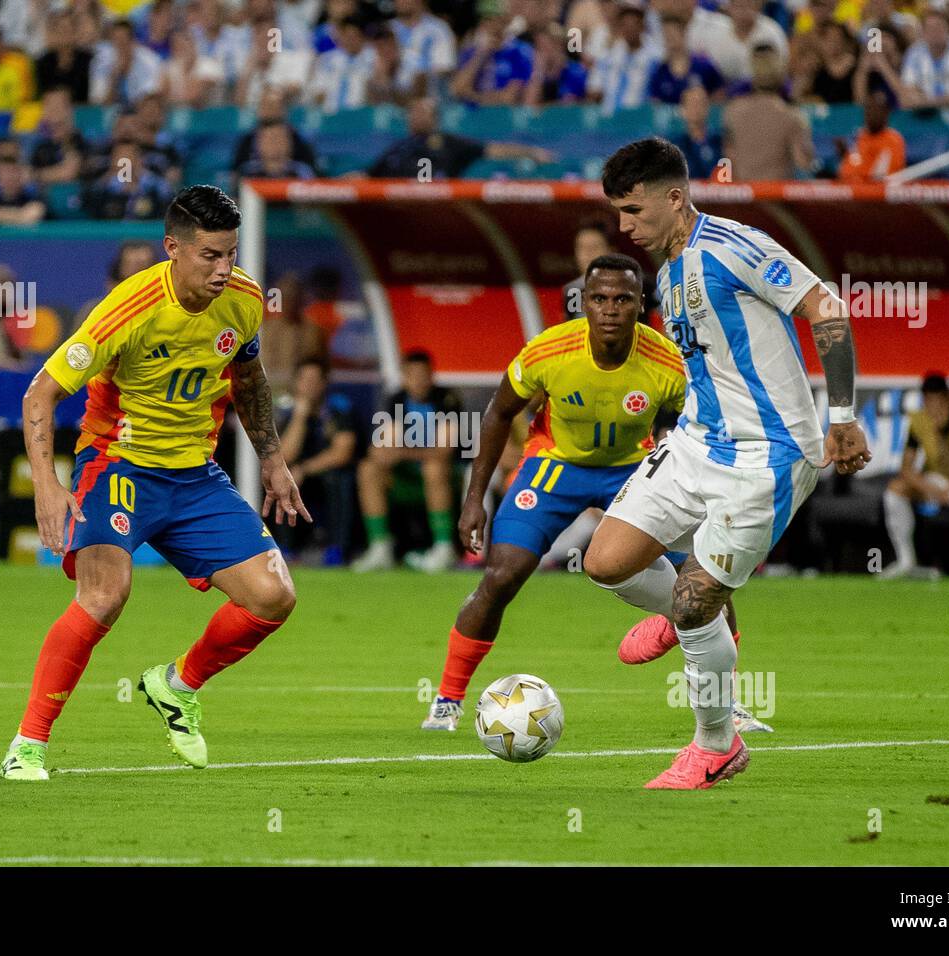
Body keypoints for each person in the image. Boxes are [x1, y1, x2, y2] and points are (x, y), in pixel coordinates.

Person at [584, 137, 870, 789]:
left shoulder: (732, 248)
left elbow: (825, 308)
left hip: (768, 454)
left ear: (675, 198)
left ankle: (716, 745)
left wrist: (844, 416)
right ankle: (684, 613)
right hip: (696, 443)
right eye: (617, 213)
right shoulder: (665, 273)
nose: (623, 228)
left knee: (694, 604)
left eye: (632, 211)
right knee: (604, 562)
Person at [0, 185, 308, 781]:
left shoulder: (243, 300)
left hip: (194, 476)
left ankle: (177, 685)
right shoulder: (128, 309)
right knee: (105, 595)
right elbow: (41, 391)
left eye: (231, 255)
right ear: (173, 248)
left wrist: (272, 458)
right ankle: (28, 744)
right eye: (210, 256)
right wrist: (46, 482)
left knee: (274, 598)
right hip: (118, 466)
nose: (225, 270)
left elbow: (249, 379)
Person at [421, 254, 687, 730]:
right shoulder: (548, 351)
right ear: (584, 303)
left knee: (699, 576)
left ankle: (724, 702)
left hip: (632, 469)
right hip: (554, 466)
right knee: (502, 575)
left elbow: (703, 426)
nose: (609, 309)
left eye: (622, 299)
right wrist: (474, 498)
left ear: (642, 306)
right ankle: (447, 698)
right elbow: (499, 412)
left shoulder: (669, 364)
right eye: (599, 299)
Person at [353, 350, 463, 572]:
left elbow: (444, 451)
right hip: (405, 477)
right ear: (404, 376)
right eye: (413, 375)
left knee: (433, 468)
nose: (419, 381)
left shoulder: (447, 400)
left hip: (444, 478)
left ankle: (444, 548)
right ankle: (380, 547)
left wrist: (401, 453)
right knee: (368, 469)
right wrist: (386, 453)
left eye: (424, 375)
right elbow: (381, 448)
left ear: (432, 376)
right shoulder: (396, 400)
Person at [882, 373, 949, 578]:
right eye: (929, 402)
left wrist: (940, 437)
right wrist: (931, 489)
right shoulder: (918, 421)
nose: (934, 408)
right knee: (896, 489)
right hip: (937, 482)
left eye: (939, 401)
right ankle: (906, 560)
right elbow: (906, 468)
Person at [275, 357, 357, 563]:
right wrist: (300, 416)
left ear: (324, 383)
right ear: (296, 383)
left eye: (315, 379)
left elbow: (342, 454)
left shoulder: (339, 409)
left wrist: (305, 468)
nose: (310, 385)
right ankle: (286, 549)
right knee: (282, 479)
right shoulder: (286, 411)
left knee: (339, 479)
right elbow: (285, 456)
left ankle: (338, 549)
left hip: (330, 474)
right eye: (304, 380)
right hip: (300, 477)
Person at [366, 96, 553, 178]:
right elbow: (370, 174)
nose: (416, 116)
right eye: (413, 112)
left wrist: (531, 152)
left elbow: (490, 150)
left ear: (435, 118)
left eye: (423, 111)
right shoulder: (400, 148)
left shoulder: (449, 142)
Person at [722, 44, 815, 180]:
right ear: (780, 76)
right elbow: (803, 163)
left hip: (744, 197)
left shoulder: (733, 111)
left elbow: (729, 158)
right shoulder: (791, 116)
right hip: (774, 198)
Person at [836, 88, 906, 182]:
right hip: (844, 190)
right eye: (868, 108)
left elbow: (881, 179)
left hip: (869, 194)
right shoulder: (859, 135)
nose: (871, 113)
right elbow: (851, 166)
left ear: (886, 113)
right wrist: (844, 155)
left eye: (877, 109)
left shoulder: (892, 139)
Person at [562, 218, 614, 322]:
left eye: (595, 247)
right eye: (582, 247)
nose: (588, 253)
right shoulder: (573, 290)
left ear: (610, 251)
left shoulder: (628, 287)